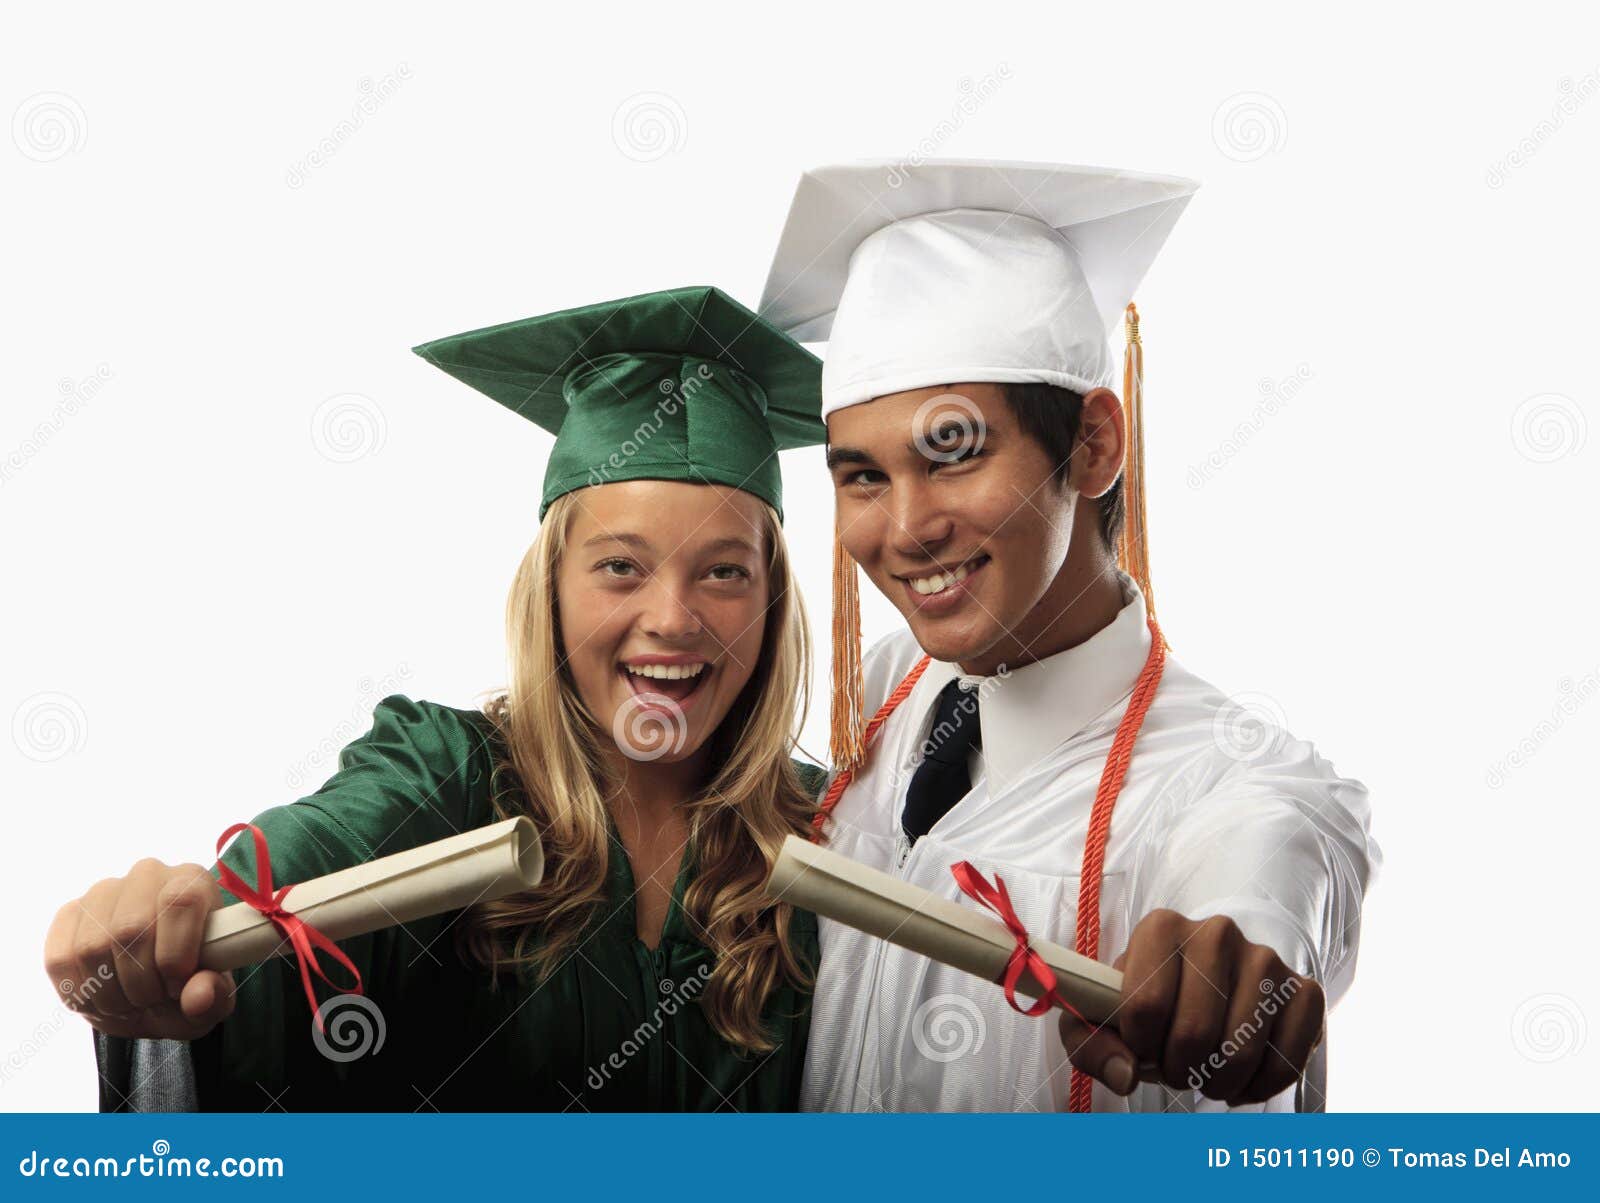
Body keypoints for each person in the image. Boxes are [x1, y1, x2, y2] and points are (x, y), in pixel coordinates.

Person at [47, 286, 831, 1111]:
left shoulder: (830, 833)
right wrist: (179, 916)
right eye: (620, 567)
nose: (673, 618)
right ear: (551, 592)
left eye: (724, 572)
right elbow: (308, 859)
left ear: (772, 599)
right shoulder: (448, 774)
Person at [759, 159, 1382, 1112]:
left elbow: (1270, 870)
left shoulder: (1228, 780)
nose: (906, 527)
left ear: (1092, 444)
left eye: (953, 451)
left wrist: (1234, 962)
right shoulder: (878, 699)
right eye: (863, 476)